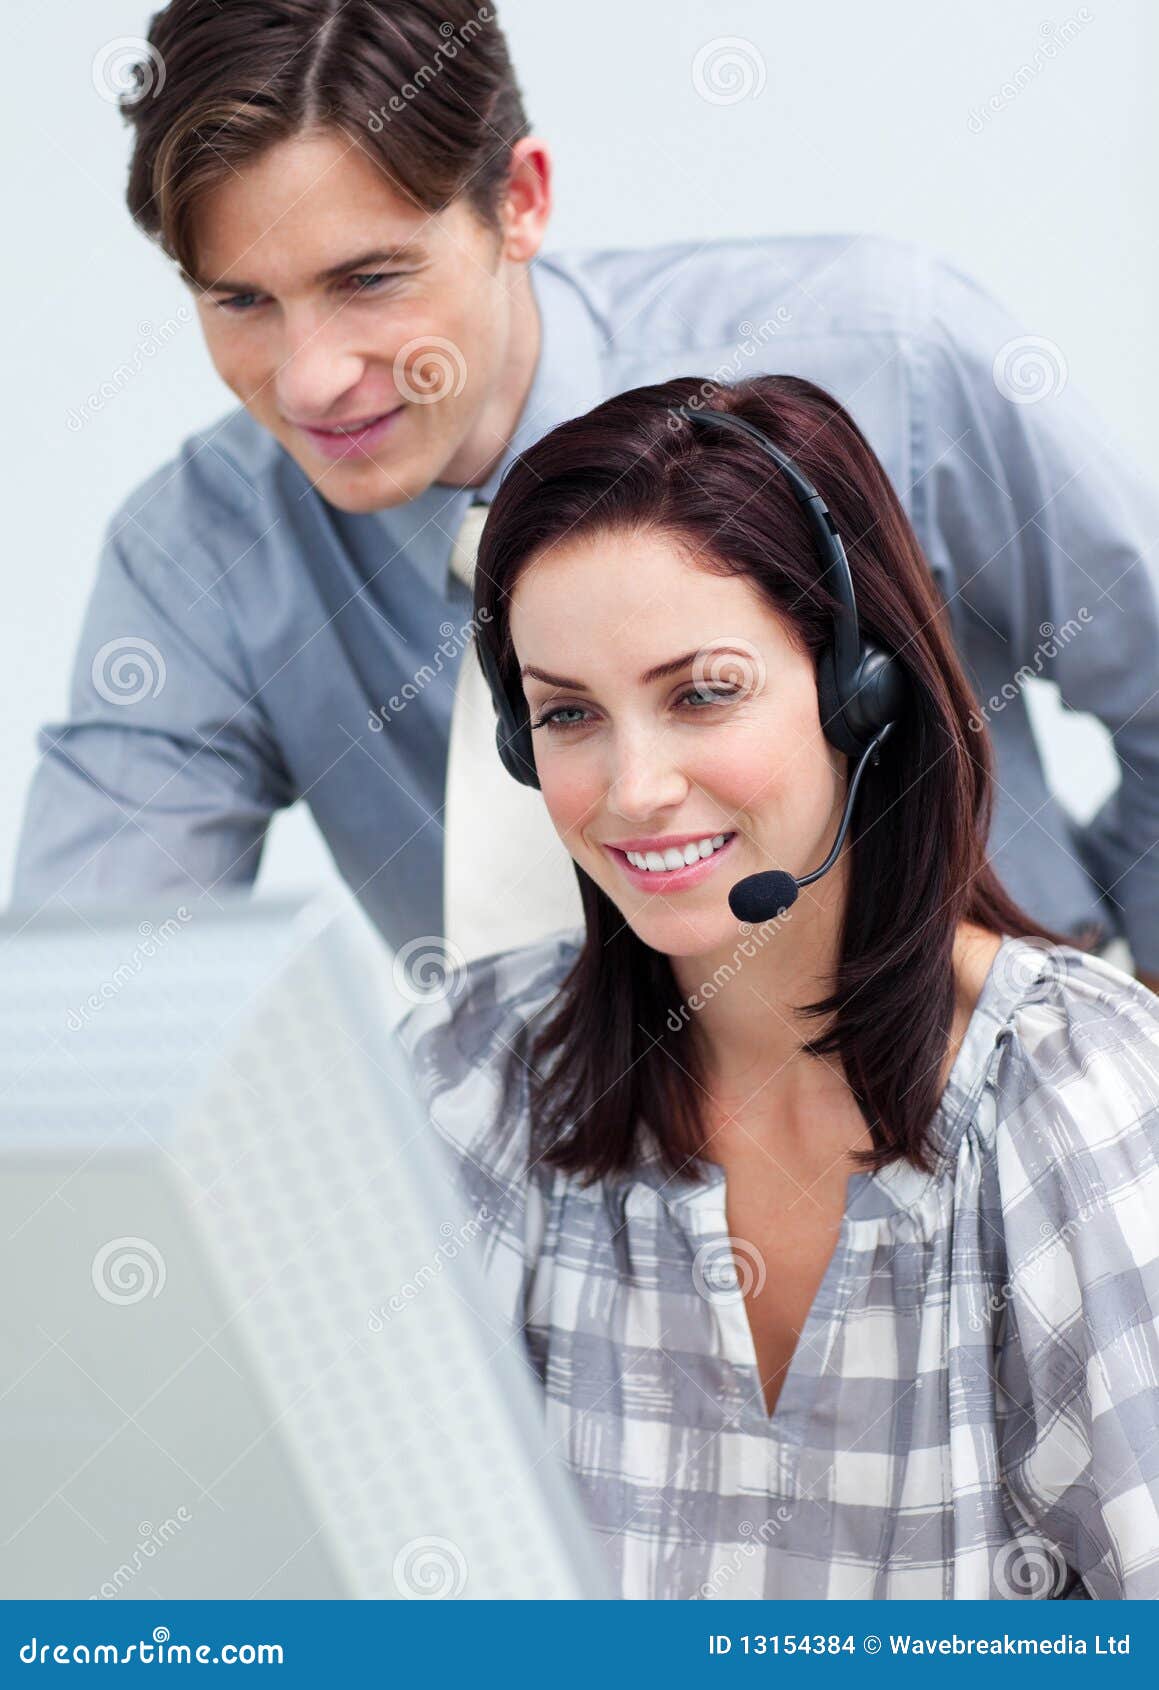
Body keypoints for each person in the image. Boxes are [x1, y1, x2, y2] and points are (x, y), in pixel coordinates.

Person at [11, 0, 1159, 992]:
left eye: (368, 279)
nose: (310, 379)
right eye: (240, 301)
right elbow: (88, 1002)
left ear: (519, 199)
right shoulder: (202, 555)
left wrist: (1102, 1019)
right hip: (558, 1172)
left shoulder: (886, 359)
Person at [393, 373, 1159, 1602]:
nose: (633, 789)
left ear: (862, 692)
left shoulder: (1079, 1096)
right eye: (568, 714)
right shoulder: (466, 1075)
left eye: (702, 693)